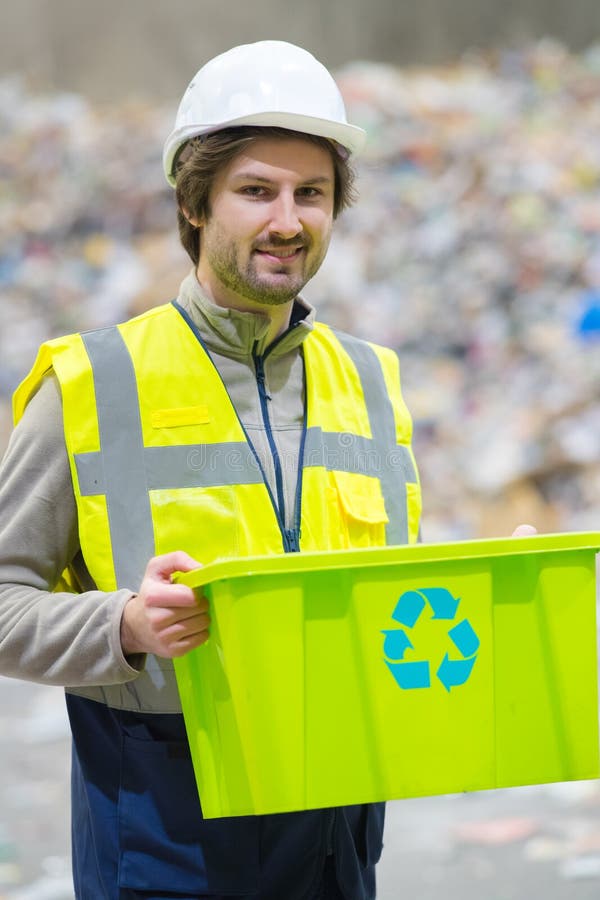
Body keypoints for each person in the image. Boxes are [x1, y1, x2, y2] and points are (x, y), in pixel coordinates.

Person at [0, 40, 421, 899]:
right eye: (255, 191)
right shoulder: (92, 383)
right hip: (164, 827)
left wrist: (497, 593)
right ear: (195, 205)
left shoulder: (372, 382)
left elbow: (389, 606)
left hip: (337, 830)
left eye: (312, 194)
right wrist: (122, 626)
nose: (288, 221)